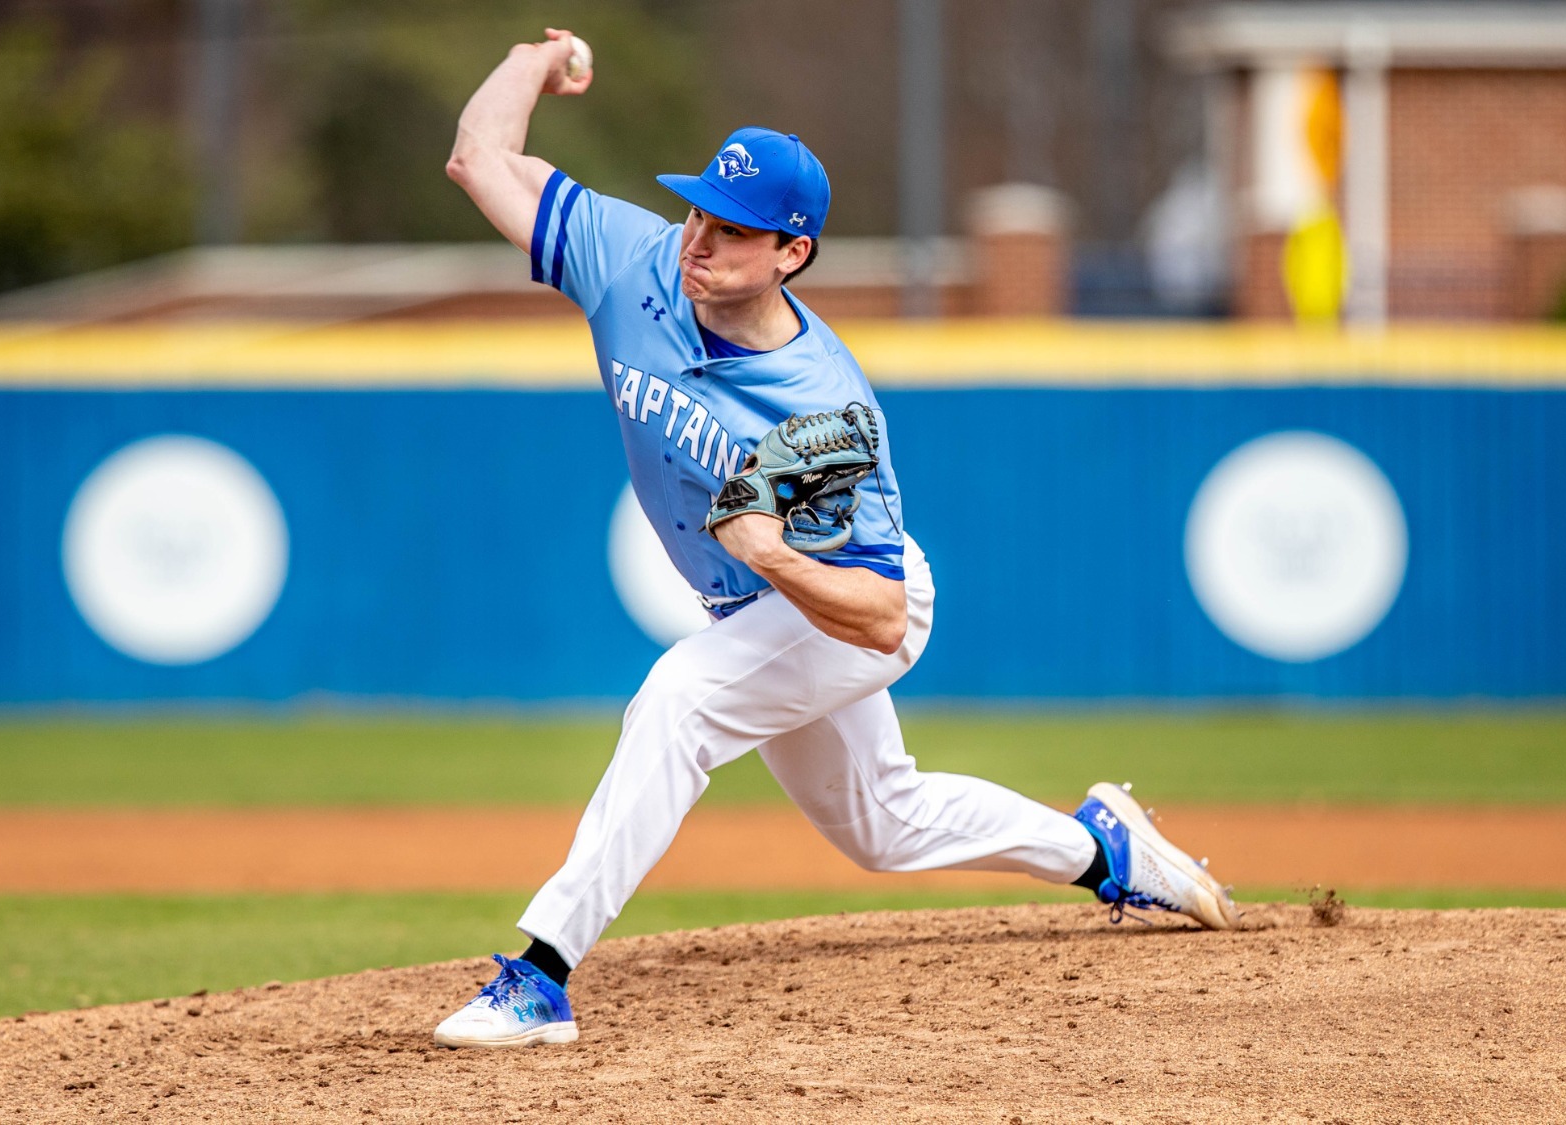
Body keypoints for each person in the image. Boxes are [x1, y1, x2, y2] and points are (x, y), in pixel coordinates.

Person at [433, 28, 1242, 1050]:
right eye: (696, 212)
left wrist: (770, 553)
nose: (698, 239)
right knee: (881, 824)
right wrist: (528, 63)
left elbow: (882, 616)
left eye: (730, 230)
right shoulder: (632, 260)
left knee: (676, 701)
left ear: (790, 252)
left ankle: (540, 975)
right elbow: (479, 159)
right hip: (759, 605)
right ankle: (1102, 852)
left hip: (848, 600)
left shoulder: (820, 411)